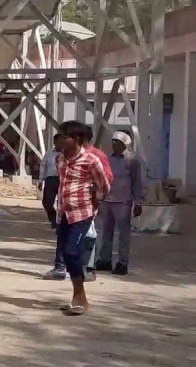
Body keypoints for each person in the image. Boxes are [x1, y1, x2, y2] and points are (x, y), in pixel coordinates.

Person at [55, 122, 110, 315]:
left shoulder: (91, 160)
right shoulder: (60, 159)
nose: (61, 140)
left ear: (76, 139)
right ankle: (78, 296)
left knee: (71, 252)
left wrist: (95, 205)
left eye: (64, 136)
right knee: (67, 254)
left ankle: (80, 296)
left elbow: (104, 186)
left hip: (82, 213)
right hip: (64, 213)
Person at [95, 131, 144, 275]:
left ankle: (122, 262)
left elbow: (136, 182)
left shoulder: (132, 160)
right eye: (113, 141)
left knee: (123, 233)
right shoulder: (107, 158)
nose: (114, 144)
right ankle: (104, 260)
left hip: (123, 201)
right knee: (105, 232)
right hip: (107, 200)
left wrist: (138, 202)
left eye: (118, 142)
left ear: (125, 144)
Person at [39, 133, 64, 228]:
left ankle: (59, 222)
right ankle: (53, 218)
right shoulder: (49, 153)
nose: (60, 144)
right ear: (54, 142)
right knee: (47, 202)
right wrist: (41, 180)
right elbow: (43, 166)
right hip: (50, 180)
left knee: (61, 203)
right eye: (58, 142)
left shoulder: (67, 153)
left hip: (62, 180)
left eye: (62, 142)